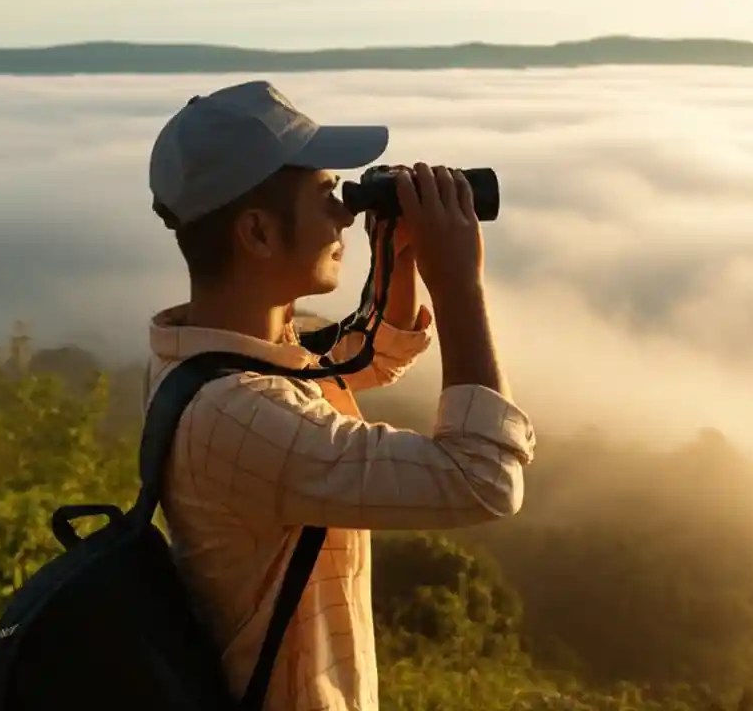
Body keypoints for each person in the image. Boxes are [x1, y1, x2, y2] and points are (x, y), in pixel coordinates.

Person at [143, 80, 536, 711]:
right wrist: (460, 285)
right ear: (258, 234)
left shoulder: (202, 357)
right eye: (329, 195)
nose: (346, 213)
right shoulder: (241, 413)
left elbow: (360, 361)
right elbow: (483, 476)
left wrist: (398, 259)